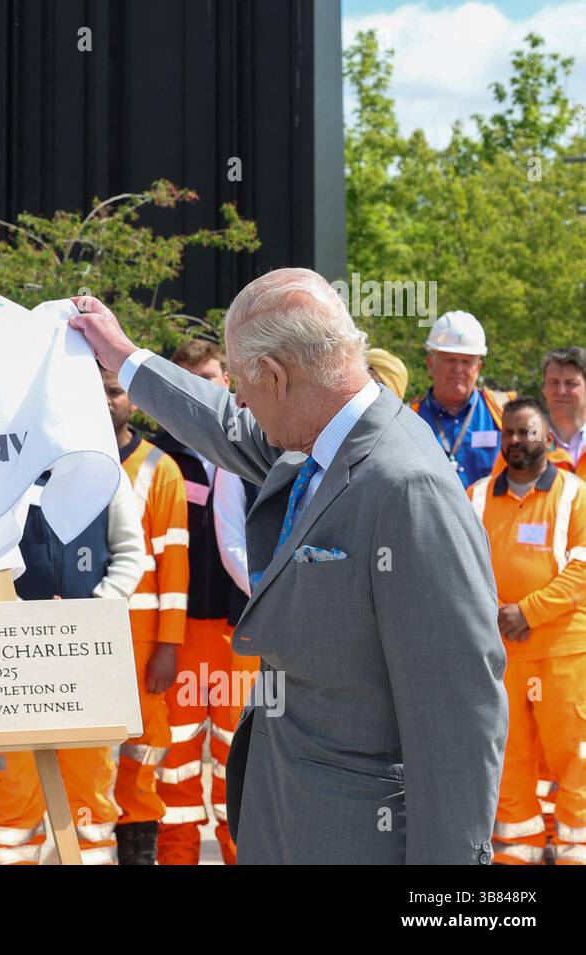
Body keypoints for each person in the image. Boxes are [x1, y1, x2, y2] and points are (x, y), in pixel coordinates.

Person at [69, 268, 507, 863]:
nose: (241, 401)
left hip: (353, 837)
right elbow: (224, 425)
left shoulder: (406, 486)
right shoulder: (323, 436)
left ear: (277, 374)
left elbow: (457, 711)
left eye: (245, 384)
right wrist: (124, 358)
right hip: (288, 814)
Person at [0, 472, 146, 865]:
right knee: (17, 788)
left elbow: (129, 552)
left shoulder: (105, 471)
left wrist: (91, 615)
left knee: (88, 784)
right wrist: (24, 619)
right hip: (14, 657)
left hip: (89, 655)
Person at [147, 340, 259, 865]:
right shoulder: (157, 459)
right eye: (187, 378)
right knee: (178, 768)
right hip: (180, 636)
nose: (199, 388)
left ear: (228, 382)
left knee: (243, 767)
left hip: (242, 634)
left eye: (209, 377)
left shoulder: (261, 447)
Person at [467, 399, 586, 865]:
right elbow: (460, 567)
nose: (517, 441)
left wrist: (527, 612)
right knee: (507, 758)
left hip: (562, 654)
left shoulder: (575, 495)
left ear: (548, 440)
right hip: (499, 657)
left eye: (528, 432)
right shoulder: (475, 496)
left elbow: (581, 569)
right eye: (510, 433)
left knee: (575, 757)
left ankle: (576, 849)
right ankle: (517, 853)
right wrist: (496, 614)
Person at [100, 364, 188, 864]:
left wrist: (169, 646)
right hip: (85, 637)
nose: (107, 400)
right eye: (99, 392)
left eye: (115, 391)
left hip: (143, 644)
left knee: (142, 752)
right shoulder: (66, 463)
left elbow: (175, 567)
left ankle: (138, 852)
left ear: (133, 401)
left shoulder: (160, 469)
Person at [410, 311, 514, 487]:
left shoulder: (504, 411)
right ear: (430, 364)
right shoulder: (409, 418)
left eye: (467, 361)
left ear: (478, 368)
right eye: (450, 359)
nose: (458, 369)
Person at [542, 347, 586, 477]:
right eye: (553, 382)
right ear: (544, 389)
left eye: (571, 384)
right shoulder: (525, 442)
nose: (561, 391)